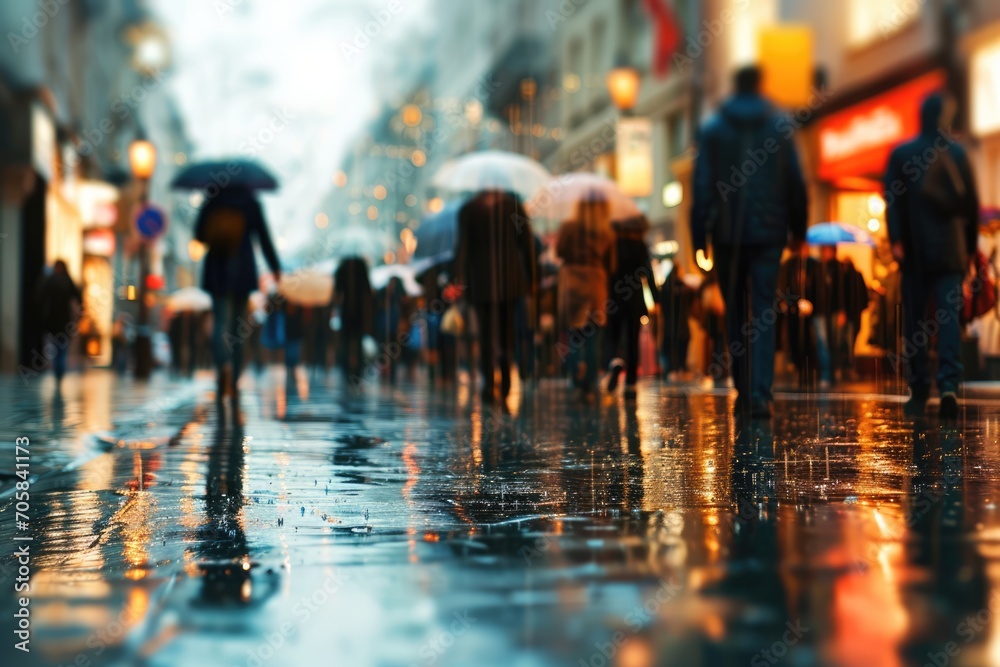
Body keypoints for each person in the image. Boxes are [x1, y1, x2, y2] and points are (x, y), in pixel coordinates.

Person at [691, 65, 808, 417]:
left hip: (727, 236)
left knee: (737, 315)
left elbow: (701, 190)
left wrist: (700, 240)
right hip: (769, 234)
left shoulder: (714, 130)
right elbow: (796, 183)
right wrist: (798, 231)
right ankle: (760, 393)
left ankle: (743, 389)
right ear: (760, 86)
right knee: (763, 312)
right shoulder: (779, 127)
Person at [885, 92, 980, 419]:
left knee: (915, 322)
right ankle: (949, 385)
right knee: (948, 318)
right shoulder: (957, 154)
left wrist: (896, 239)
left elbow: (892, 200)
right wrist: (969, 249)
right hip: (951, 251)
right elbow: (971, 207)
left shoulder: (902, 154)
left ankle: (920, 388)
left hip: (915, 251)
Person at [195, 185, 282, 402]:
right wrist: (275, 267)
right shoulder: (250, 203)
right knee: (237, 328)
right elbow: (263, 237)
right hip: (242, 269)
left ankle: (222, 368)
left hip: (217, 269)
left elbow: (198, 234)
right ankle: (233, 380)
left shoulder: (212, 199)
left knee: (220, 324)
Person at [454, 189, 536, 404]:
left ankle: (490, 384)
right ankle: (506, 376)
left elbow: (462, 247)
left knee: (485, 334)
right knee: (506, 331)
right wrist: (532, 277)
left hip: (480, 279)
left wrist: (458, 278)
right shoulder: (513, 206)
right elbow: (526, 243)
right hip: (509, 278)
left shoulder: (469, 209)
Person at [556, 192, 617, 402]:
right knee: (594, 335)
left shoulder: (569, 226)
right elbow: (612, 263)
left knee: (574, 334)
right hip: (595, 283)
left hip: (573, 282)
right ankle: (590, 383)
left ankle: (576, 374)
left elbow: (560, 250)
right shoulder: (605, 231)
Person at [606, 215, 658, 399]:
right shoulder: (640, 245)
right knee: (632, 340)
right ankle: (631, 383)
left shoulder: (613, 245)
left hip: (614, 297)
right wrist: (656, 296)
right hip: (634, 298)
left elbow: (606, 271)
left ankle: (615, 361)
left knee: (613, 335)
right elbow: (647, 272)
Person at [777, 241, 819, 388]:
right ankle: (798, 367)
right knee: (794, 340)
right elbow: (784, 286)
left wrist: (811, 304)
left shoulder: (814, 265)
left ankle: (809, 371)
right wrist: (791, 304)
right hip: (794, 310)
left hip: (810, 312)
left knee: (810, 341)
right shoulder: (789, 265)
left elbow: (817, 287)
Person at [36, 259, 82, 383]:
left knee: (55, 347)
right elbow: (78, 298)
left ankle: (58, 370)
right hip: (64, 320)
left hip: (52, 320)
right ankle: (60, 371)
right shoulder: (68, 281)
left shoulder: (50, 281)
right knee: (62, 347)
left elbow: (40, 299)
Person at [333, 256, 373, 384]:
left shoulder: (360, 267)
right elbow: (337, 290)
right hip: (346, 312)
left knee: (358, 343)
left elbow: (367, 289)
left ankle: (358, 372)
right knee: (346, 342)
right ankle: (346, 371)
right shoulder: (342, 269)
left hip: (359, 312)